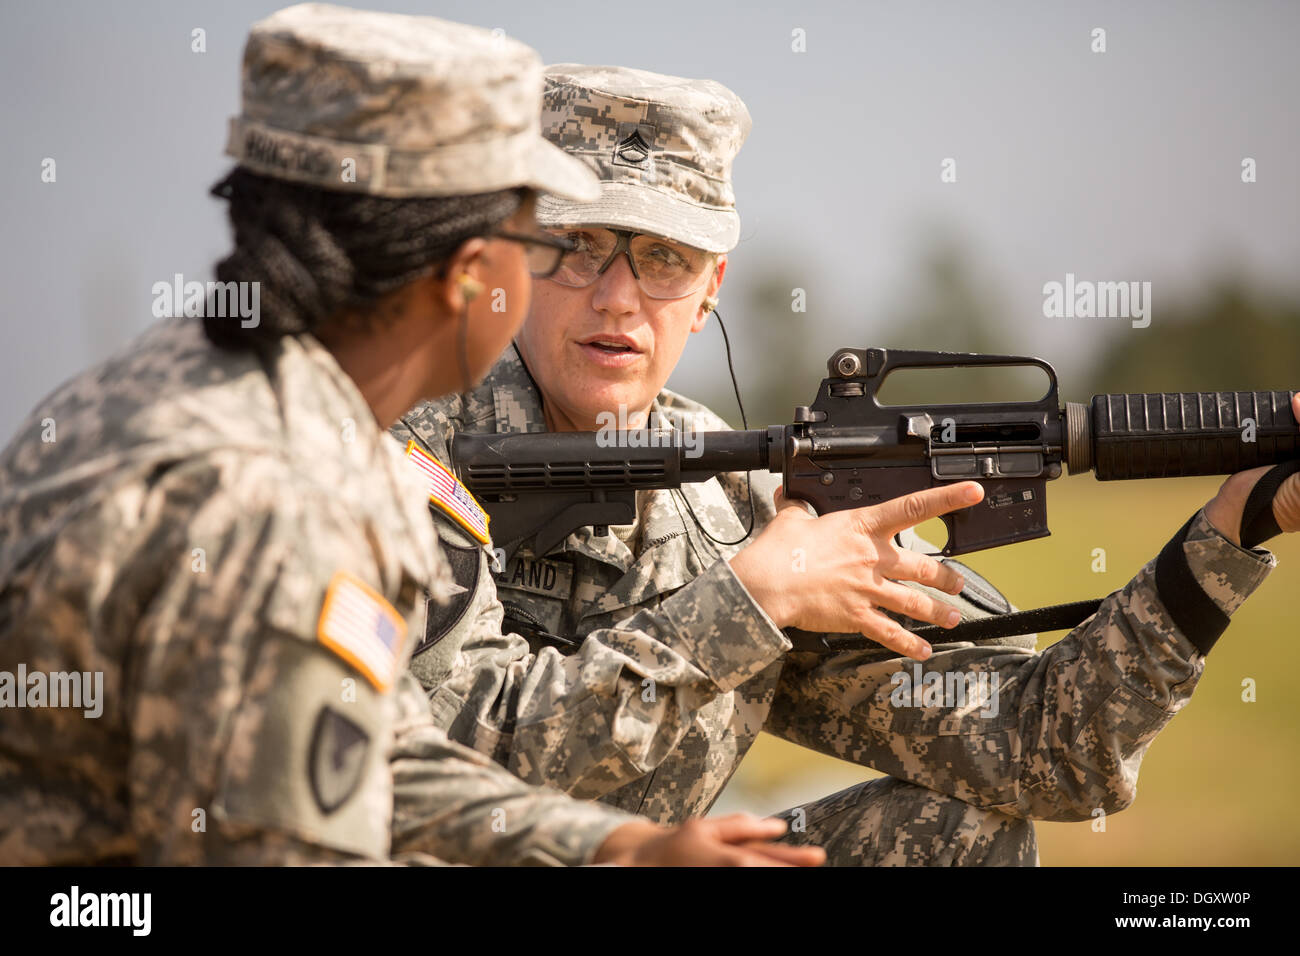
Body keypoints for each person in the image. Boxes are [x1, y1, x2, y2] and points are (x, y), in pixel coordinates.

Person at [393, 63, 1300, 866]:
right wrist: (749, 604)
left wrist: (1225, 536)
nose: (619, 295)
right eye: (579, 245)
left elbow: (1046, 752)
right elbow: (447, 770)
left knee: (960, 829)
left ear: (710, 291)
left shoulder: (748, 508)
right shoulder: (406, 456)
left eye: (664, 258)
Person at [0, 7, 825, 867]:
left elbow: (377, 748)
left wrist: (613, 848)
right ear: (473, 274)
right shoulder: (280, 501)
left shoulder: (194, 383)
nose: (601, 289)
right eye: (549, 239)